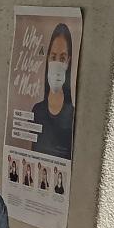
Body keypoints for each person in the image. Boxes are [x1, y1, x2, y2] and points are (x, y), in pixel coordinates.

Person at [30, 22, 76, 159]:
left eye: (62, 58)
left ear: (68, 61)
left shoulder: (72, 114)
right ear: (48, 58)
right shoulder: (37, 111)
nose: (57, 64)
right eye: (53, 57)